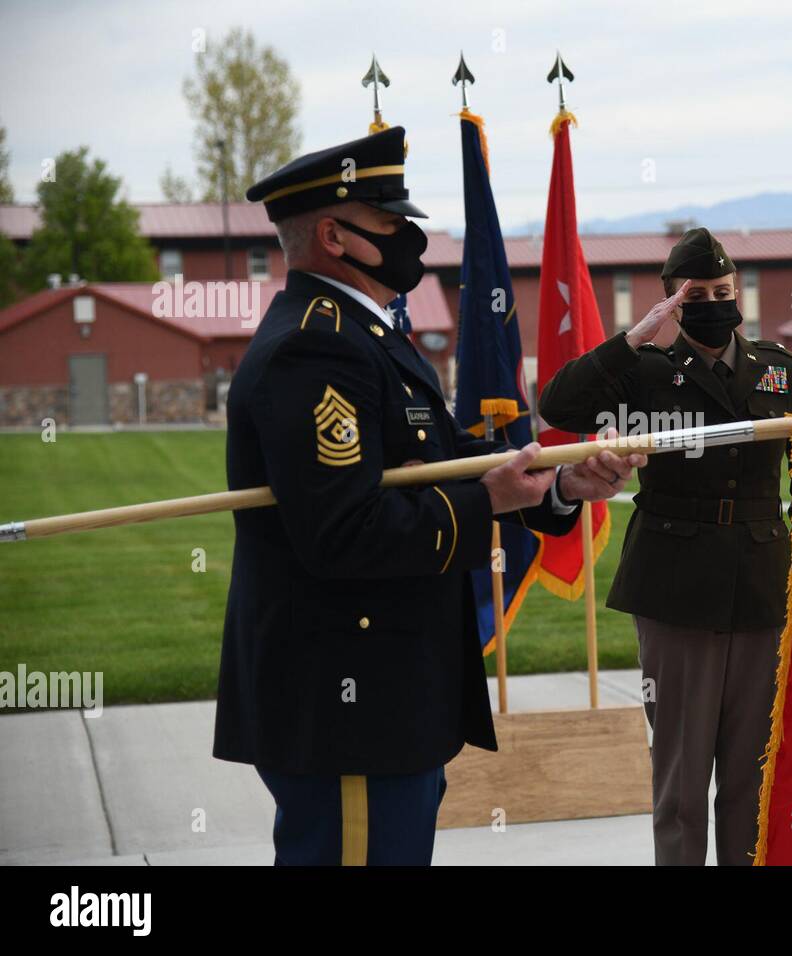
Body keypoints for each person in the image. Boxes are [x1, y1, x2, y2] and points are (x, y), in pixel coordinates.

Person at [214, 126, 642, 865]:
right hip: (348, 705)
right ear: (333, 235)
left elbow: (436, 461)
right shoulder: (316, 347)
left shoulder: (366, 334)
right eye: (391, 223)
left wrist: (562, 481)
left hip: (391, 699)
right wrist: (491, 501)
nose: (412, 237)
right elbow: (343, 533)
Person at [538, 227, 792, 865]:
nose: (717, 301)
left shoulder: (778, 369)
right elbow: (558, 404)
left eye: (725, 289)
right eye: (698, 293)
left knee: (754, 773)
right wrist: (634, 337)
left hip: (761, 582)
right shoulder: (644, 373)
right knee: (683, 776)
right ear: (672, 302)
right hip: (675, 584)